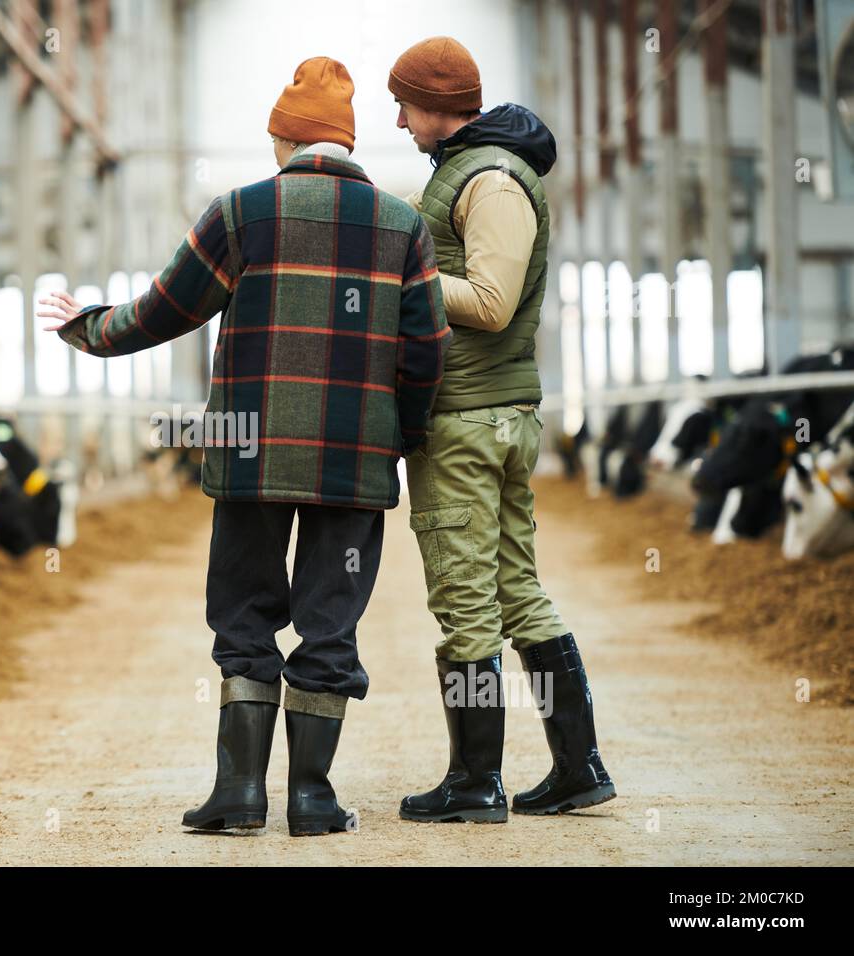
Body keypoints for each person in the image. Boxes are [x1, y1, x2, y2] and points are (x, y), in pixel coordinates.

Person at [40, 56, 449, 836]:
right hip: (354, 461)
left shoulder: (241, 212)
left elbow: (164, 309)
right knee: (331, 621)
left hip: (251, 453)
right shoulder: (404, 226)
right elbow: (427, 349)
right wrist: (403, 435)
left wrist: (84, 326)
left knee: (244, 614)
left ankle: (239, 795)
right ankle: (312, 799)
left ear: (283, 139)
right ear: (347, 144)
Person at [388, 36, 616, 823]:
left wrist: (403, 276)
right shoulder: (472, 172)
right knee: (516, 592)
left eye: (407, 105)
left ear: (440, 107)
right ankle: (576, 768)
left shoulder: (489, 181)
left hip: (469, 420)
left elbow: (489, 300)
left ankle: (473, 782)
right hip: (496, 415)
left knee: (468, 603)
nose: (398, 120)